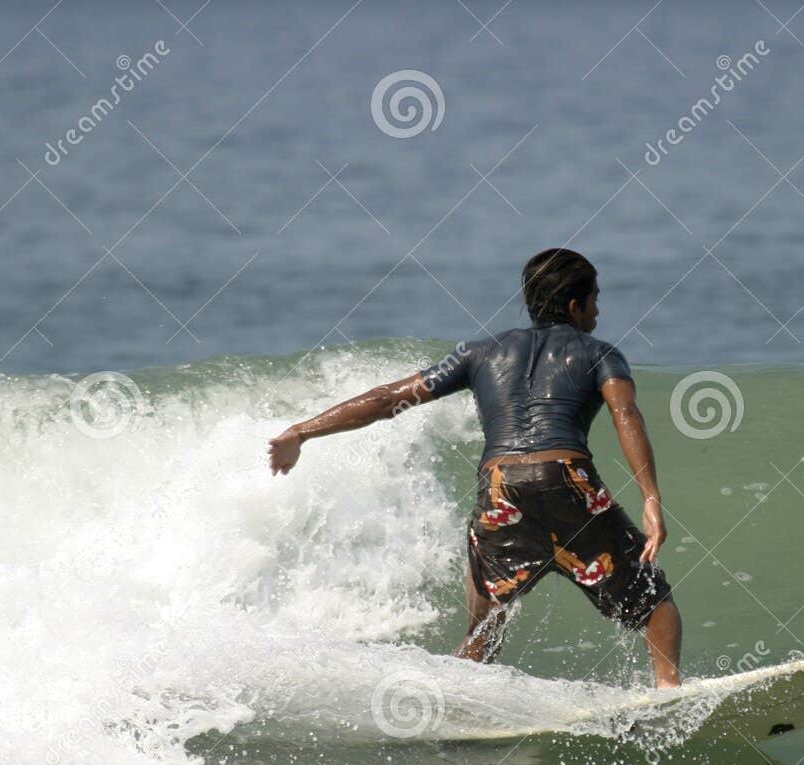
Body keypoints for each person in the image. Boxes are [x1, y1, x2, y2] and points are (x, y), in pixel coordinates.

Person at [267, 248, 682, 687]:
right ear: (576, 306)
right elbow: (626, 415)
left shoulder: (478, 352)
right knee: (653, 599)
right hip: (565, 477)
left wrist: (302, 431)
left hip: (501, 488)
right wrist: (651, 498)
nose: (599, 310)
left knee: (484, 627)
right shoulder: (600, 353)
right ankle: (668, 693)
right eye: (595, 298)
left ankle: (453, 704)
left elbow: (389, 399)